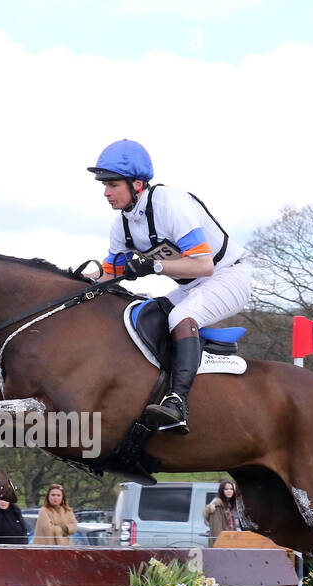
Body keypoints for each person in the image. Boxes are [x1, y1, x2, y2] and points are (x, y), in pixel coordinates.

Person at [89, 139, 250, 435]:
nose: (106, 193)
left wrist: (153, 266)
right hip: (192, 287)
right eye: (104, 185)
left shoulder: (170, 205)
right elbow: (108, 276)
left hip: (229, 277)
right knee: (145, 315)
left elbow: (204, 265)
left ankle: (177, 404)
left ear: (137, 184)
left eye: (112, 185)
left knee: (179, 317)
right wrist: (76, 287)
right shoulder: (122, 226)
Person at [204, 479, 238, 546]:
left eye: (231, 489)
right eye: (226, 489)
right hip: (222, 544)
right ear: (221, 491)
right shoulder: (217, 506)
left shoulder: (228, 506)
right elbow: (217, 529)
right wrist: (221, 545)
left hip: (230, 542)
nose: (229, 491)